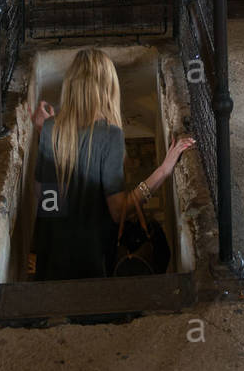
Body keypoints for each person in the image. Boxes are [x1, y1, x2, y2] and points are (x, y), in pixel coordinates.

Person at [27, 47, 195, 281]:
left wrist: (50, 137)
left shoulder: (49, 128)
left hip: (52, 256)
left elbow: (44, 196)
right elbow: (118, 212)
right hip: (91, 260)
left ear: (72, 84)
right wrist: (163, 170)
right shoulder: (111, 136)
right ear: (108, 87)